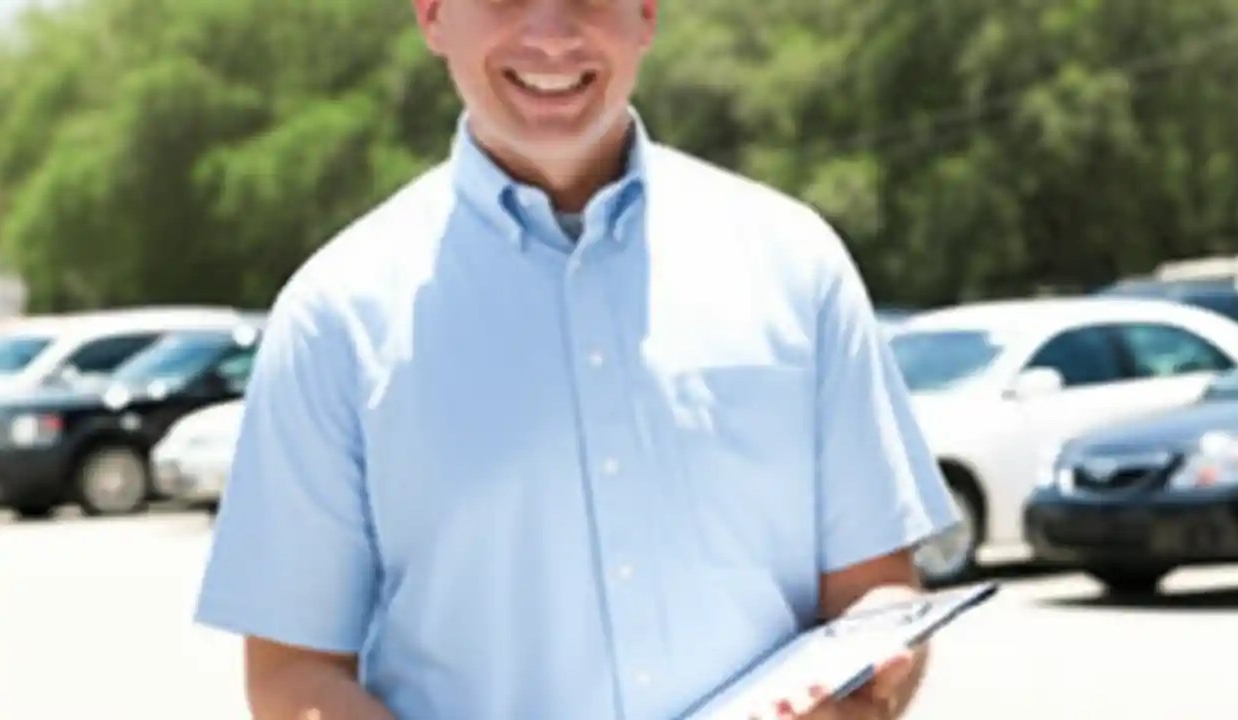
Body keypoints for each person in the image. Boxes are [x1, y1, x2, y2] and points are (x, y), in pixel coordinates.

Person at [194, 0, 961, 718]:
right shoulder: (333, 317)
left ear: (646, 13)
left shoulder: (796, 264)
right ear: (431, 13)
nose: (552, 32)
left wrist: (865, 691)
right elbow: (294, 672)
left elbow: (876, 589)